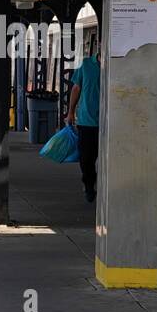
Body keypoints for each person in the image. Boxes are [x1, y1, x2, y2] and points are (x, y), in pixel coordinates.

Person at [66, 52, 101, 203]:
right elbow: (76, 88)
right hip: (87, 121)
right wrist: (70, 112)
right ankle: (88, 184)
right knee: (86, 158)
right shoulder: (85, 64)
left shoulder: (118, 65)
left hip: (111, 122)